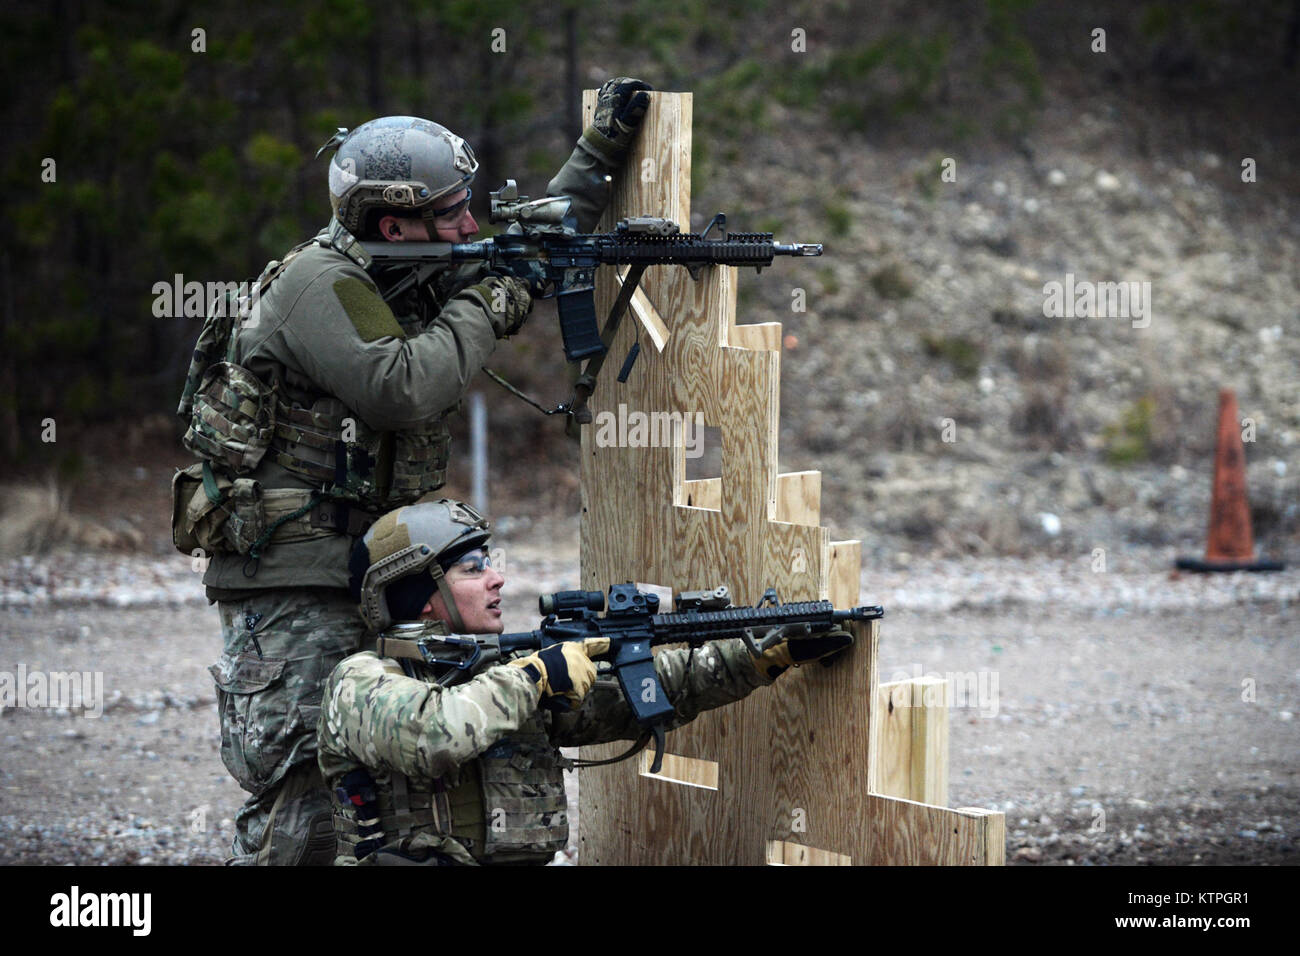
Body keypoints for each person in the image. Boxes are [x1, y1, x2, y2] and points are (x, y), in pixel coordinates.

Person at [176, 79, 654, 864]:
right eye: (451, 213)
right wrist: (492, 299)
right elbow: (405, 385)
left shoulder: (405, 268)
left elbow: (535, 238)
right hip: (293, 580)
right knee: (305, 800)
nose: (469, 225)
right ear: (394, 223)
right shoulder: (319, 284)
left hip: (372, 568)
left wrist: (598, 152)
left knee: (393, 787)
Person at [316, 497, 853, 865]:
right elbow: (432, 734)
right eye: (474, 568)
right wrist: (537, 673)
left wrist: (761, 655)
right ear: (420, 593)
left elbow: (636, 695)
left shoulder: (500, 677)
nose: (498, 576)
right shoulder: (360, 682)